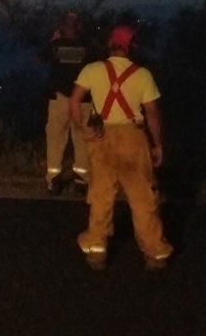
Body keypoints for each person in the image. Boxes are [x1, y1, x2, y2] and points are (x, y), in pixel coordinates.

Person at [69, 25, 172, 271]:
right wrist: (157, 144)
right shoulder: (143, 74)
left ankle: (96, 252)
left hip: (101, 136)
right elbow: (153, 115)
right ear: (131, 47)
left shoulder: (92, 69)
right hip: (132, 138)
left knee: (101, 195)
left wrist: (82, 129)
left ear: (110, 44)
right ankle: (155, 254)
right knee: (142, 198)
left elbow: (74, 100)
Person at [42, 11, 92, 196]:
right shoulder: (88, 46)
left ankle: (53, 180)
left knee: (55, 138)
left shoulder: (55, 45)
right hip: (83, 99)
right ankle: (82, 181)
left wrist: (53, 41)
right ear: (78, 26)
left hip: (59, 99)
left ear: (62, 26)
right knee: (83, 139)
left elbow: (42, 58)